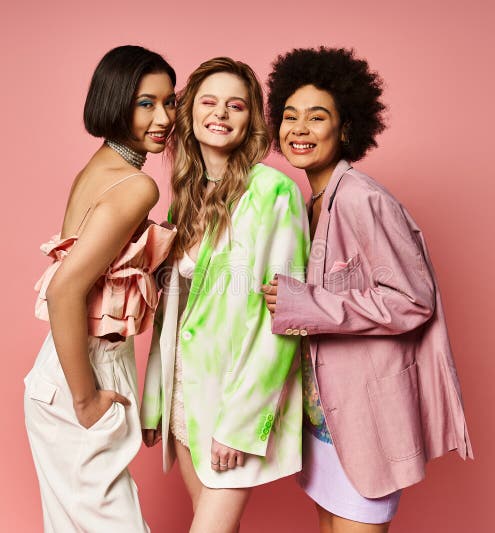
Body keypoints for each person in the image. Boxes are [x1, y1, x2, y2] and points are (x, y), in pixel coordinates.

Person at [262, 47, 473, 533]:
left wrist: (304, 303)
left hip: (364, 423)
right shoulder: (307, 204)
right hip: (323, 420)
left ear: (347, 128)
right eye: (290, 116)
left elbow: (412, 300)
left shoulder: (362, 199)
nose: (299, 129)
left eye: (317, 118)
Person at [140, 57, 310, 533]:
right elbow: (169, 312)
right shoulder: (185, 197)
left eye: (235, 105)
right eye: (209, 102)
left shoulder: (276, 192)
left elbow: (285, 321)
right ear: (190, 112)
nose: (220, 114)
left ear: (251, 118)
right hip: (183, 403)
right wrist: (154, 397)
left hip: (231, 402)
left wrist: (241, 422)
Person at [23, 45, 178, 532]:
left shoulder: (101, 167)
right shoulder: (136, 186)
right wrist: (87, 399)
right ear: (115, 101)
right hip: (83, 373)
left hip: (61, 370)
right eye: (145, 102)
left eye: (169, 101)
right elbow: (65, 290)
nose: (164, 117)